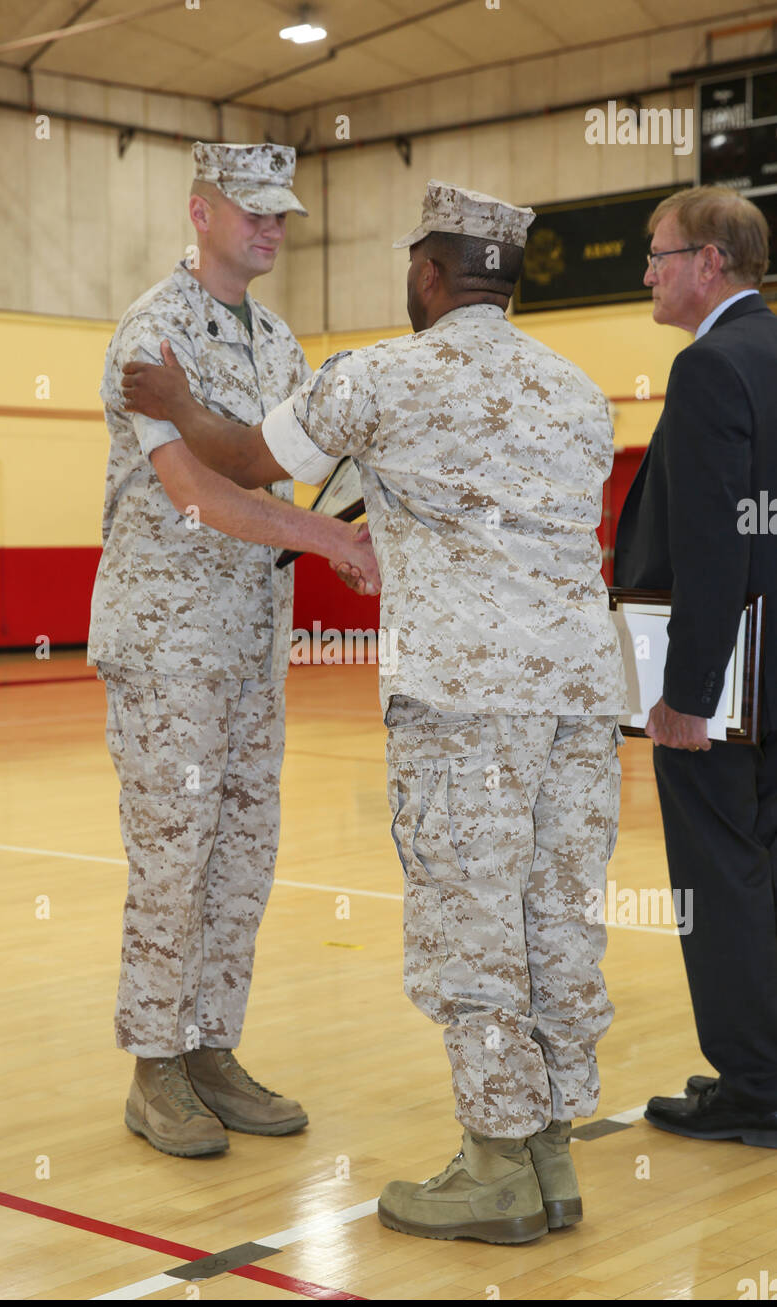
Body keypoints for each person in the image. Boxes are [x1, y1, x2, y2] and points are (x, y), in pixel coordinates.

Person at [120, 179, 626, 1243]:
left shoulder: (381, 379)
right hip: (582, 695)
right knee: (555, 915)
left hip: (465, 700)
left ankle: (492, 1164)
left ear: (426, 272)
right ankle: (546, 1151)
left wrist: (173, 405)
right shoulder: (579, 391)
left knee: (470, 919)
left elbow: (249, 459)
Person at [87, 141, 379, 1159]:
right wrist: (330, 540)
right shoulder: (151, 332)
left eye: (281, 213)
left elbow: (290, 463)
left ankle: (211, 1047)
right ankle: (153, 1069)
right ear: (199, 211)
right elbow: (198, 494)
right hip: (168, 643)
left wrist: (358, 512)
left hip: (250, 642)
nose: (270, 227)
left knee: (242, 854)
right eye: (248, 209)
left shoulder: (279, 342)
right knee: (173, 856)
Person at [613, 185, 777, 1147]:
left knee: (718, 881)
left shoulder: (713, 365)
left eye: (658, 254)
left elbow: (716, 544)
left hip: (727, 682)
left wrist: (688, 695)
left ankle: (753, 1090)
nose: (648, 272)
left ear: (709, 261)